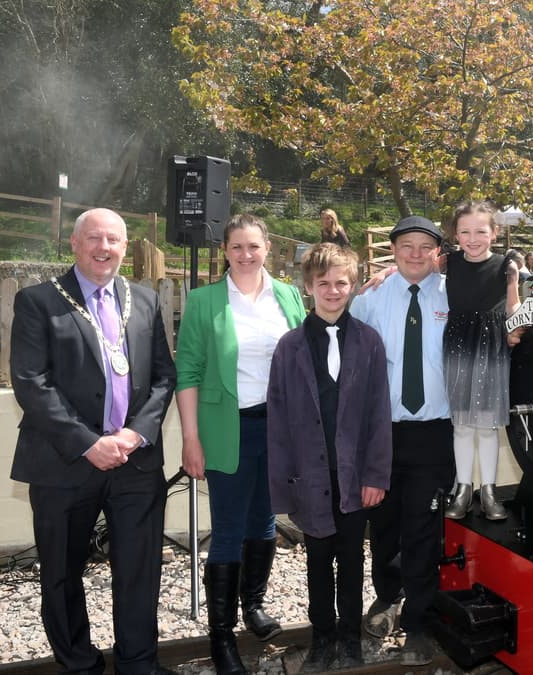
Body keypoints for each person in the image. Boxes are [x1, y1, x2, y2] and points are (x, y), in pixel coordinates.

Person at [9, 208, 177, 675]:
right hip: (64, 463)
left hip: (135, 462)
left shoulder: (144, 299)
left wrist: (135, 433)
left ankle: (138, 663)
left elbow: (164, 377)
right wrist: (88, 442)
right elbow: (30, 382)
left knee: (139, 570)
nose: (105, 248)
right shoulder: (38, 301)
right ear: (74, 243)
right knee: (62, 573)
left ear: (126, 246)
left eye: (114, 240)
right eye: (94, 239)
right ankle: (80, 665)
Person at [174, 214, 307, 674]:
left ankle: (253, 606)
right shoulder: (204, 301)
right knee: (229, 528)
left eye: (254, 246)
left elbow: (305, 356)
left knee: (266, 519)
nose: (246, 255)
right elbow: (187, 372)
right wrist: (191, 438)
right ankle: (222, 636)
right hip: (226, 428)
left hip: (278, 428)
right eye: (237, 248)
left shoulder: (288, 295)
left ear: (267, 247)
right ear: (225, 252)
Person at [267, 243, 392, 670]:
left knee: (353, 560)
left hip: (356, 478)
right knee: (318, 562)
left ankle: (350, 639)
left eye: (341, 283)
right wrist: (284, 485)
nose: (333, 291)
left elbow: (379, 414)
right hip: (310, 477)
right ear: (309, 287)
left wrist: (376, 475)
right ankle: (322, 639)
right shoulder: (290, 347)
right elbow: (278, 422)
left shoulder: (369, 343)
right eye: (324, 283)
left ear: (353, 286)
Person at [351, 215, 454, 666]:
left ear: (437, 252)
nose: (415, 254)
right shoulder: (371, 297)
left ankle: (418, 620)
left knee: (423, 527)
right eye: (406, 245)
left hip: (433, 432)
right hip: (383, 432)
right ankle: (386, 597)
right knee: (385, 523)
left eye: (424, 247)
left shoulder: (452, 295)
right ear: (392, 250)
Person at [440, 200, 520, 521]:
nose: (472, 239)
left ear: (494, 233)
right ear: (456, 234)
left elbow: (513, 306)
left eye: (480, 231)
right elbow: (413, 272)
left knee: (486, 426)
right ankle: (462, 487)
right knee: (461, 424)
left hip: (490, 346)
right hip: (458, 343)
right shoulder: (449, 262)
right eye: (465, 232)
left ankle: (488, 490)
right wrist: (385, 274)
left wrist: (523, 325)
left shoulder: (506, 266)